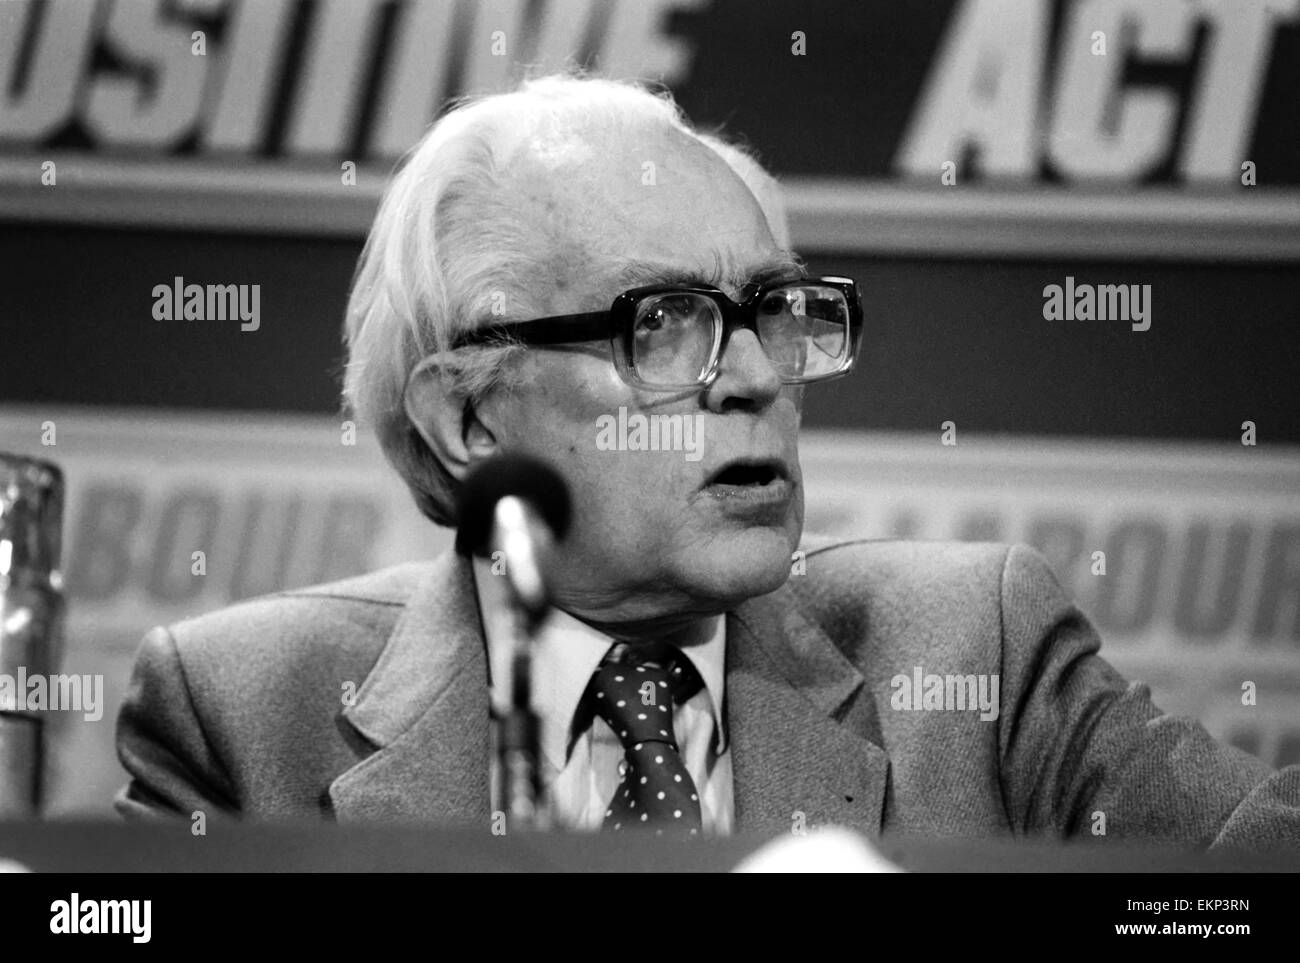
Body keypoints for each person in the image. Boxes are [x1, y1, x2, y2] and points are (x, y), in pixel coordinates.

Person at [115, 74, 1299, 848]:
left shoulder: (973, 656)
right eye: (664, 324)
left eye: (776, 310)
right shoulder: (242, 716)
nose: (755, 377)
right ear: (472, 422)